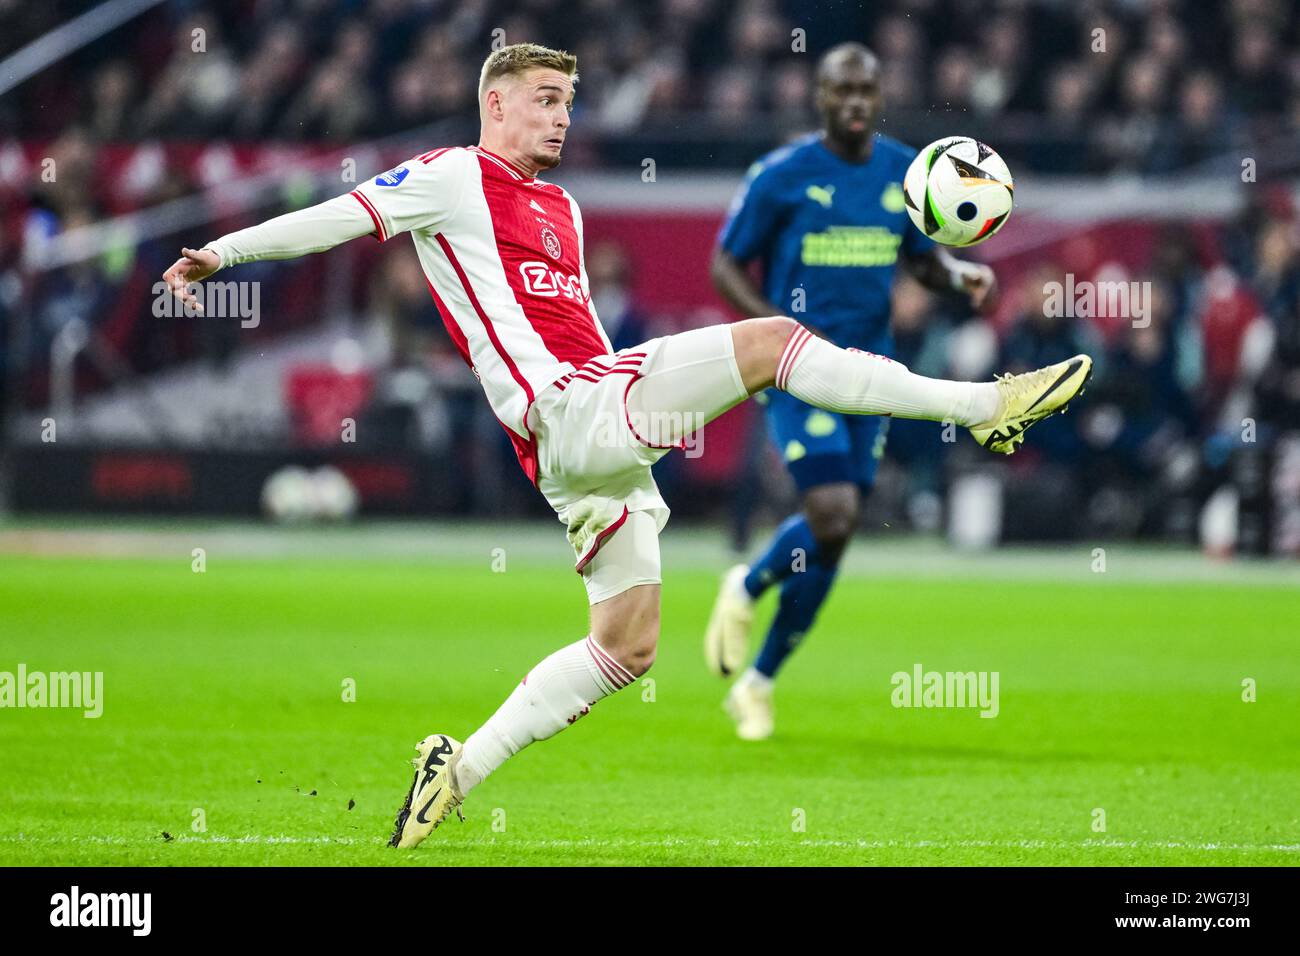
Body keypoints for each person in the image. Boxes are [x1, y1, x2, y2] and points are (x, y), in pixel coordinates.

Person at [161, 43, 1091, 850]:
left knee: (627, 646)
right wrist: (221, 254)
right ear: (496, 103)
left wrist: (638, 407)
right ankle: (979, 405)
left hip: (588, 437)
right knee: (771, 342)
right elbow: (336, 217)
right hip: (566, 417)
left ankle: (458, 768)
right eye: (545, 101)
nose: (564, 118)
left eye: (570, 102)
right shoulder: (450, 178)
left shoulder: (560, 210)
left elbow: (579, 329)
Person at [704, 42, 999, 740]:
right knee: (832, 514)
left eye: (867, 90)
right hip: (800, 371)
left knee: (834, 540)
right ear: (820, 97)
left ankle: (759, 680)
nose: (856, 103)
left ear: (879, 96)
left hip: (876, 372)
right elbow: (723, 263)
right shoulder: (783, 174)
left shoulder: (906, 170)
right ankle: (747, 586)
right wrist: (775, 332)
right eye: (843, 91)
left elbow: (921, 261)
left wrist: (961, 277)